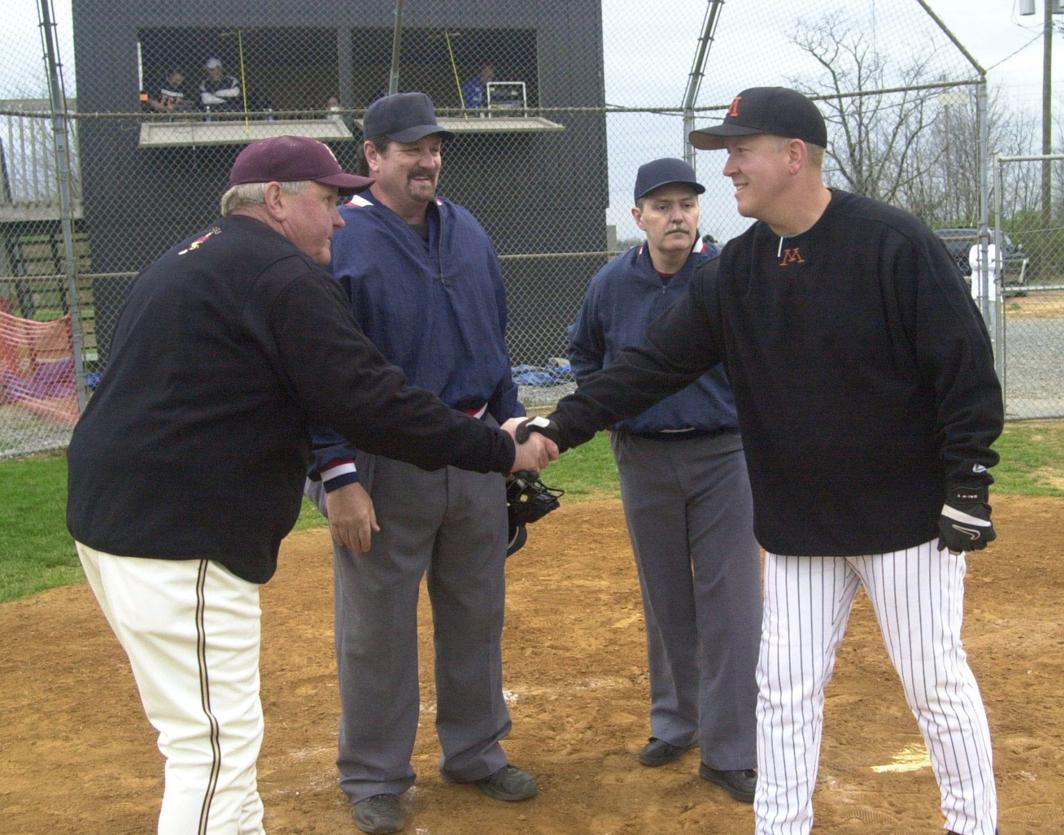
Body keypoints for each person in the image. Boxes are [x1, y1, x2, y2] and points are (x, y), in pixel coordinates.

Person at [522, 86, 1003, 835]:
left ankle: (974, 826)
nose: (729, 170)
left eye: (740, 152)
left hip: (904, 520)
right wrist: (557, 428)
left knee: (935, 685)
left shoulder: (891, 242)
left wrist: (969, 480)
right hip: (798, 524)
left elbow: (964, 365)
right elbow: (650, 366)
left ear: (794, 155)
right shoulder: (737, 271)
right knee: (782, 690)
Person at [65, 135, 554, 835]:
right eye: (326, 199)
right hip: (179, 535)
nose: (341, 216)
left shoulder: (193, 255)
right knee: (212, 750)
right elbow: (368, 398)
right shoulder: (278, 274)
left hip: (125, 521)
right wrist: (494, 449)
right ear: (275, 201)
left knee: (212, 738)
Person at [309, 91, 536, 835]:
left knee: (477, 611)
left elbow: (492, 340)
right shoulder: (343, 238)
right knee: (376, 628)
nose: (427, 160)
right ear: (371, 156)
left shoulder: (467, 229)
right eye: (410, 148)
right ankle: (375, 775)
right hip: (383, 462)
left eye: (435, 146)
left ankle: (474, 748)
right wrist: (335, 473)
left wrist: (509, 422)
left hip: (472, 453)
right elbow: (313, 371)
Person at [567, 158, 760, 803]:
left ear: (700, 213)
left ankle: (732, 749)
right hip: (643, 456)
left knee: (732, 603)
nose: (677, 215)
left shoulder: (728, 275)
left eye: (687, 203)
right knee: (665, 598)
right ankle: (676, 723)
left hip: (723, 453)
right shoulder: (611, 283)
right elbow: (585, 354)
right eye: (663, 205)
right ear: (638, 217)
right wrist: (610, 406)